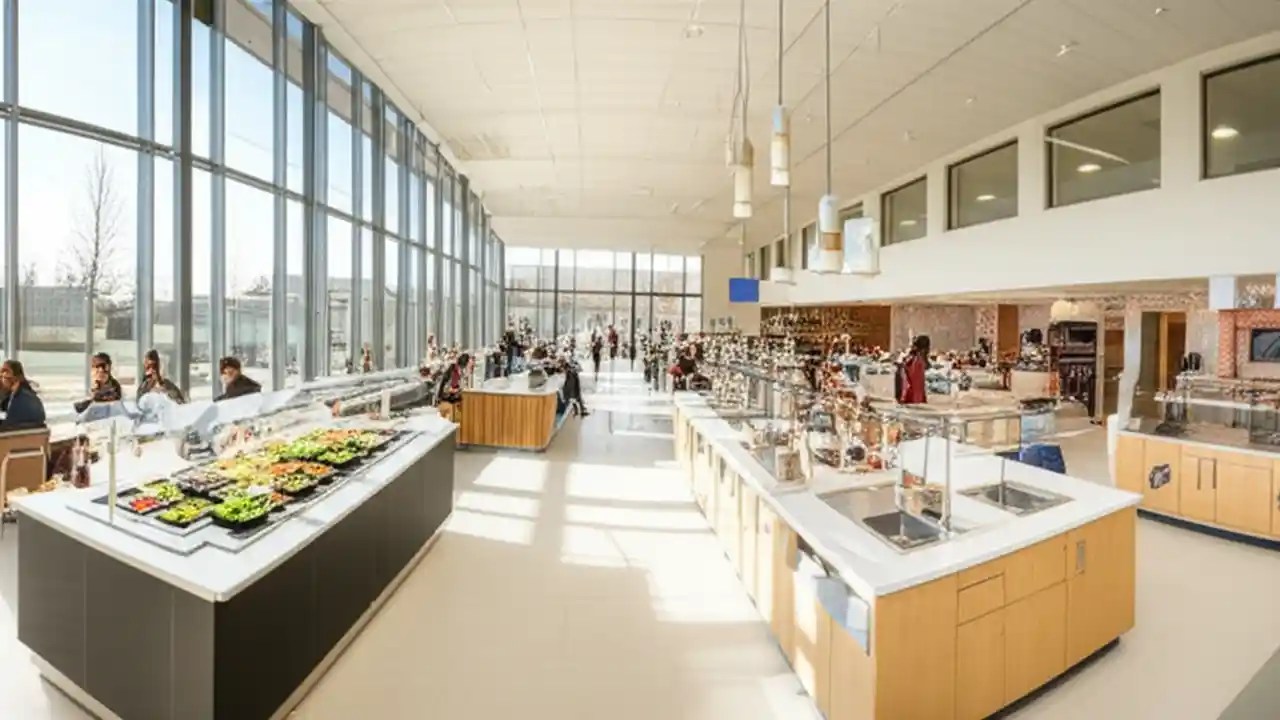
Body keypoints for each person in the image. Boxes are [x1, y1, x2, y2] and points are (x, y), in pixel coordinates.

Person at [0, 360, 46, 429]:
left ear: (16, 378)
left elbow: (9, 425)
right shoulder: (30, 397)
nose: (1, 377)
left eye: (5, 372)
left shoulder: (20, 399)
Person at [898, 335, 930, 405]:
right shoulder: (917, 361)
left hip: (908, 397)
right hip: (912, 399)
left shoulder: (911, 359)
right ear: (924, 349)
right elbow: (916, 384)